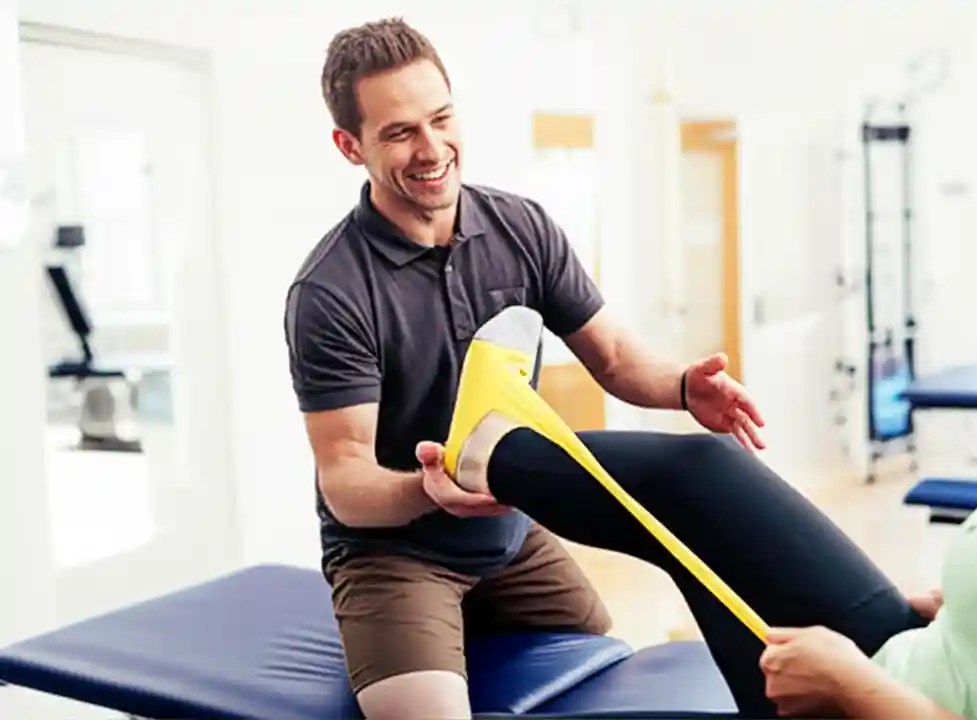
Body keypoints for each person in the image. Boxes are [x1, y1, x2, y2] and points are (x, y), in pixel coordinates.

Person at [420, 77, 977, 719]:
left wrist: (848, 682)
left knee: (688, 488)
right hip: (931, 658)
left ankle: (488, 449)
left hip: (878, 698)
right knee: (702, 473)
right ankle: (495, 454)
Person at [282, 16, 766, 720]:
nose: (431, 149)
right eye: (399, 133)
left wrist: (684, 388)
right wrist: (432, 489)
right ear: (349, 146)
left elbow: (616, 357)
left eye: (441, 118)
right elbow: (347, 480)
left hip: (509, 534)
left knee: (604, 666)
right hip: (393, 553)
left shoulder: (521, 228)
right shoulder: (330, 291)